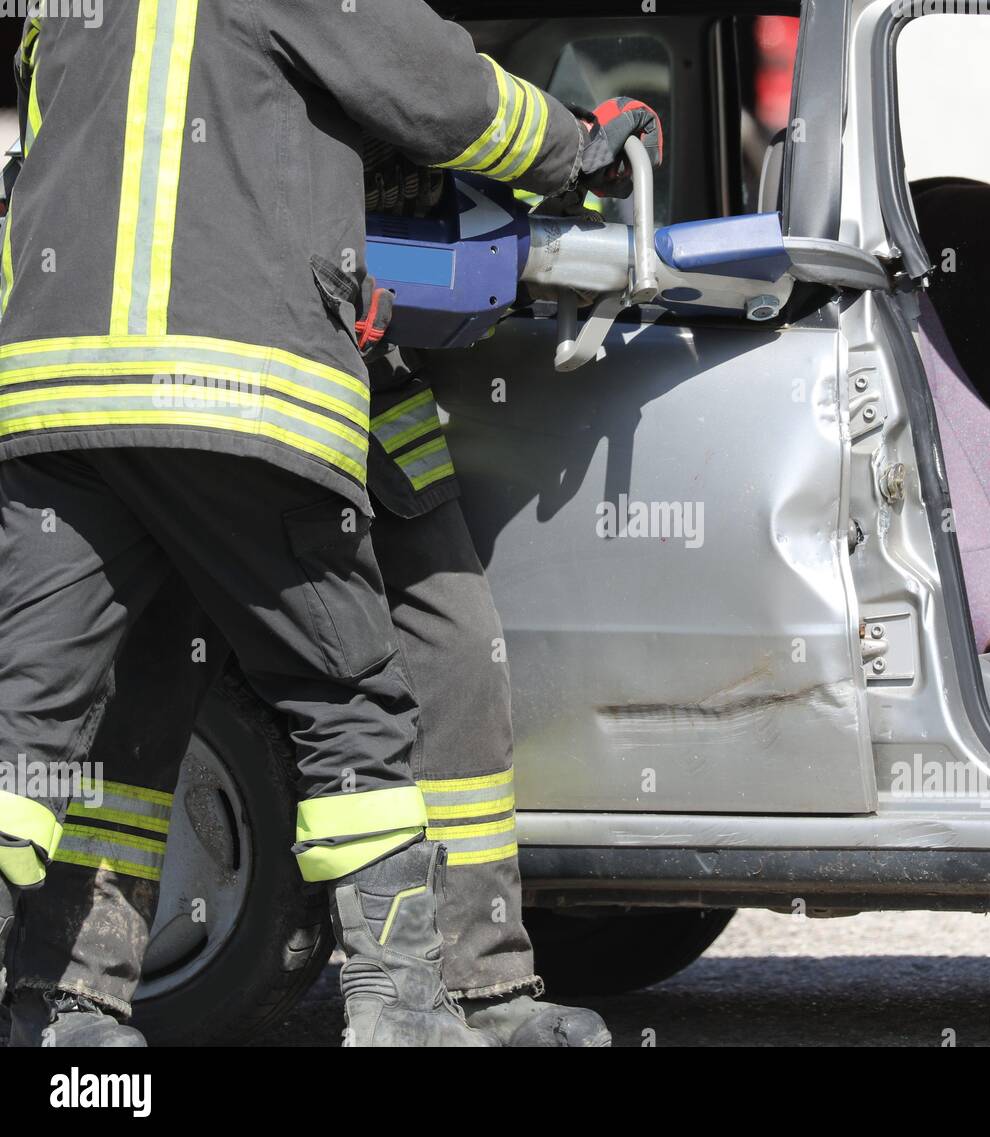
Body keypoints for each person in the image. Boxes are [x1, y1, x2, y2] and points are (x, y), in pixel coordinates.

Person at [0, 2, 658, 1046]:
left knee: (33, 725)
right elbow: (442, 90)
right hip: (241, 392)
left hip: (58, 399)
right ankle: (404, 1010)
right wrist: (581, 151)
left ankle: (65, 1009)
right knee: (349, 697)